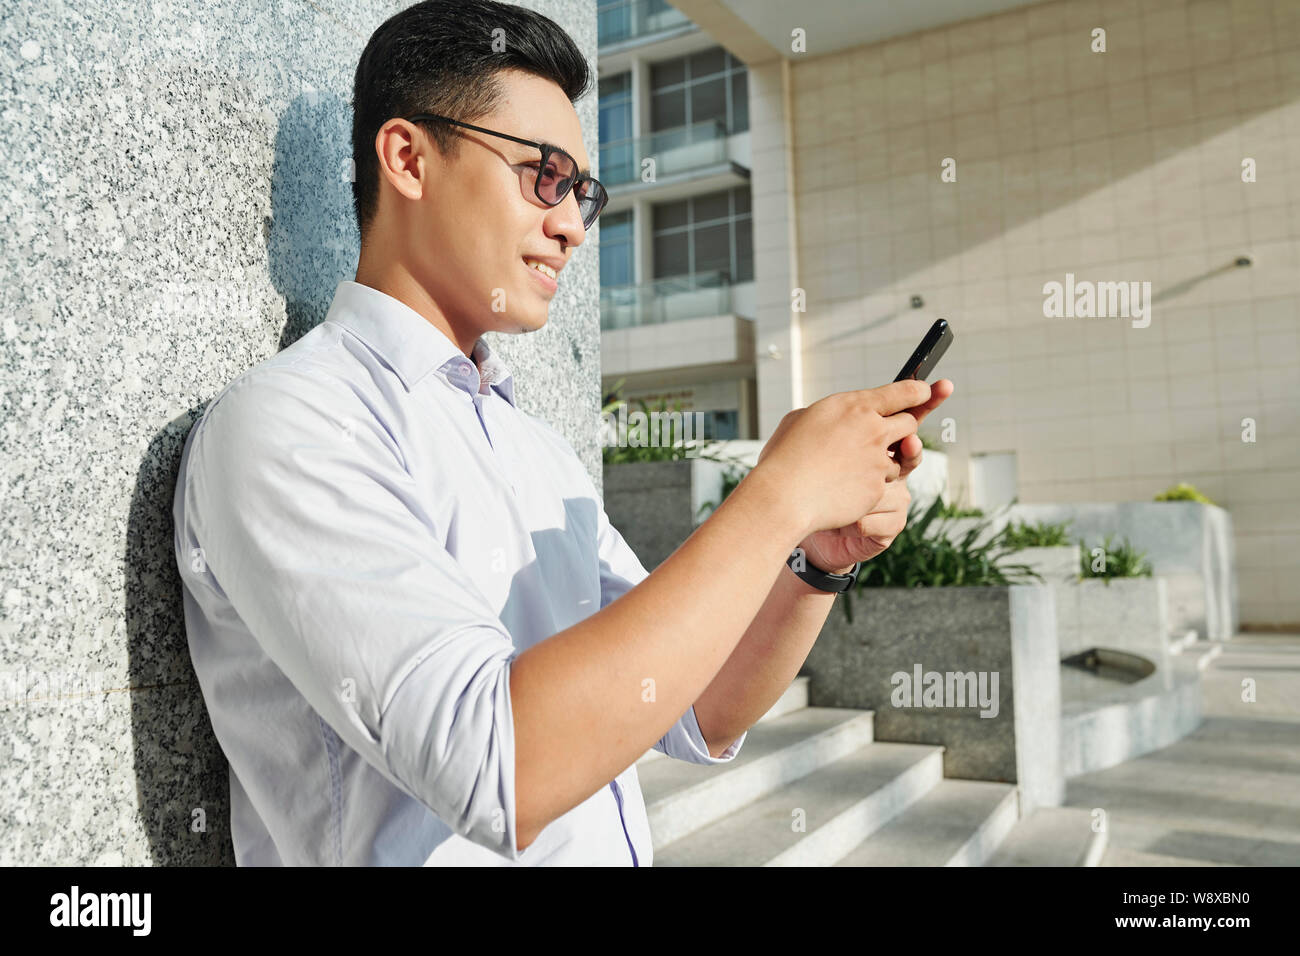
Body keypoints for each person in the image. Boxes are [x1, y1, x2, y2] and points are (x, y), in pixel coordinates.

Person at [172, 0, 953, 866]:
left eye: (583, 191)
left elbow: (698, 707)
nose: (573, 224)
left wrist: (814, 557)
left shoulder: (534, 450)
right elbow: (498, 769)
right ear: (408, 159)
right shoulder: (290, 423)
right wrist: (773, 500)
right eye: (543, 176)